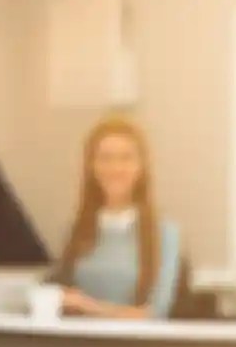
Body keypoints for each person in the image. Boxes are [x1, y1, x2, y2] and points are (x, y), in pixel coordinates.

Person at [48, 116, 181, 319]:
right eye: (105, 158)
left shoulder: (165, 234)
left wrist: (88, 306)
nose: (115, 168)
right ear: (91, 167)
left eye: (126, 158)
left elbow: (155, 314)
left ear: (141, 167)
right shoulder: (76, 230)